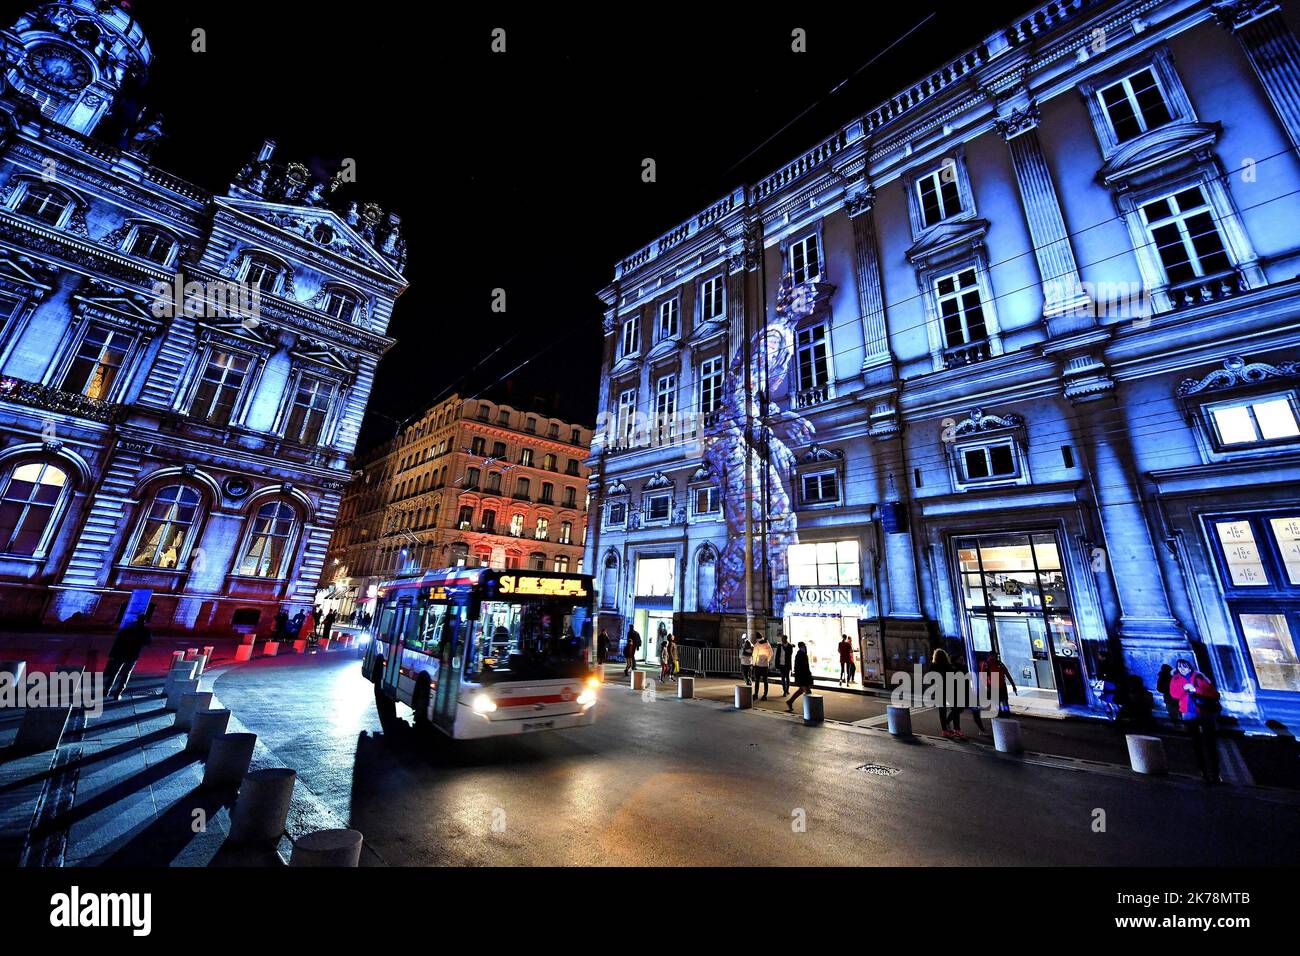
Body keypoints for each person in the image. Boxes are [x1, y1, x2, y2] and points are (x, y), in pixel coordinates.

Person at [1168, 657, 1222, 783]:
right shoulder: (1176, 679)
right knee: (1195, 743)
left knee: (1210, 743)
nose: (1182, 669)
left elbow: (1214, 694)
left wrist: (1195, 689)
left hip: (1204, 713)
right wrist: (1184, 688)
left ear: (1190, 666)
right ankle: (1203, 771)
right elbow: (1174, 695)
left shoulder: (1198, 677)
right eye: (1180, 666)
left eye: (1184, 666)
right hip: (1188, 714)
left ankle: (1215, 772)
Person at [104, 614, 152, 701]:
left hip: (121, 653)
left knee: (115, 672)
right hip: (133, 654)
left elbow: (118, 640)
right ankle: (118, 693)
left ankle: (106, 690)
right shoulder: (145, 630)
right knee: (126, 674)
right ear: (144, 621)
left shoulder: (128, 627)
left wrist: (112, 653)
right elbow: (147, 642)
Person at [930, 647, 964, 739]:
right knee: (955, 709)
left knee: (942, 710)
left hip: (939, 690)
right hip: (949, 689)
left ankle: (944, 730)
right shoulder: (948, 666)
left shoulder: (933, 666)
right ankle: (957, 729)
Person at [980, 650, 1018, 717]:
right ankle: (1000, 713)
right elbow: (983, 677)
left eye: (996, 656)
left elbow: (1007, 673)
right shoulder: (986, 664)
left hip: (1001, 685)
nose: (996, 657)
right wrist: (987, 687)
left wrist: (1013, 685)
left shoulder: (999, 663)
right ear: (990, 656)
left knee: (1004, 700)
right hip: (993, 685)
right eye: (994, 656)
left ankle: (1006, 712)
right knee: (997, 702)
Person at [786, 642, 815, 712]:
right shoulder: (800, 654)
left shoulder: (803, 654)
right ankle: (811, 708)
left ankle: (790, 701)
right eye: (803, 646)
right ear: (801, 647)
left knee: (801, 690)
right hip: (803, 676)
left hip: (804, 675)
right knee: (807, 691)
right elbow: (799, 667)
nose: (805, 647)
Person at [752, 635, 773, 700]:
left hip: (758, 665)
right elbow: (771, 653)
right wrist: (767, 660)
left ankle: (756, 694)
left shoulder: (757, 645)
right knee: (765, 680)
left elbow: (754, 655)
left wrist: (753, 664)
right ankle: (765, 695)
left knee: (757, 680)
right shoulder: (767, 644)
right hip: (765, 665)